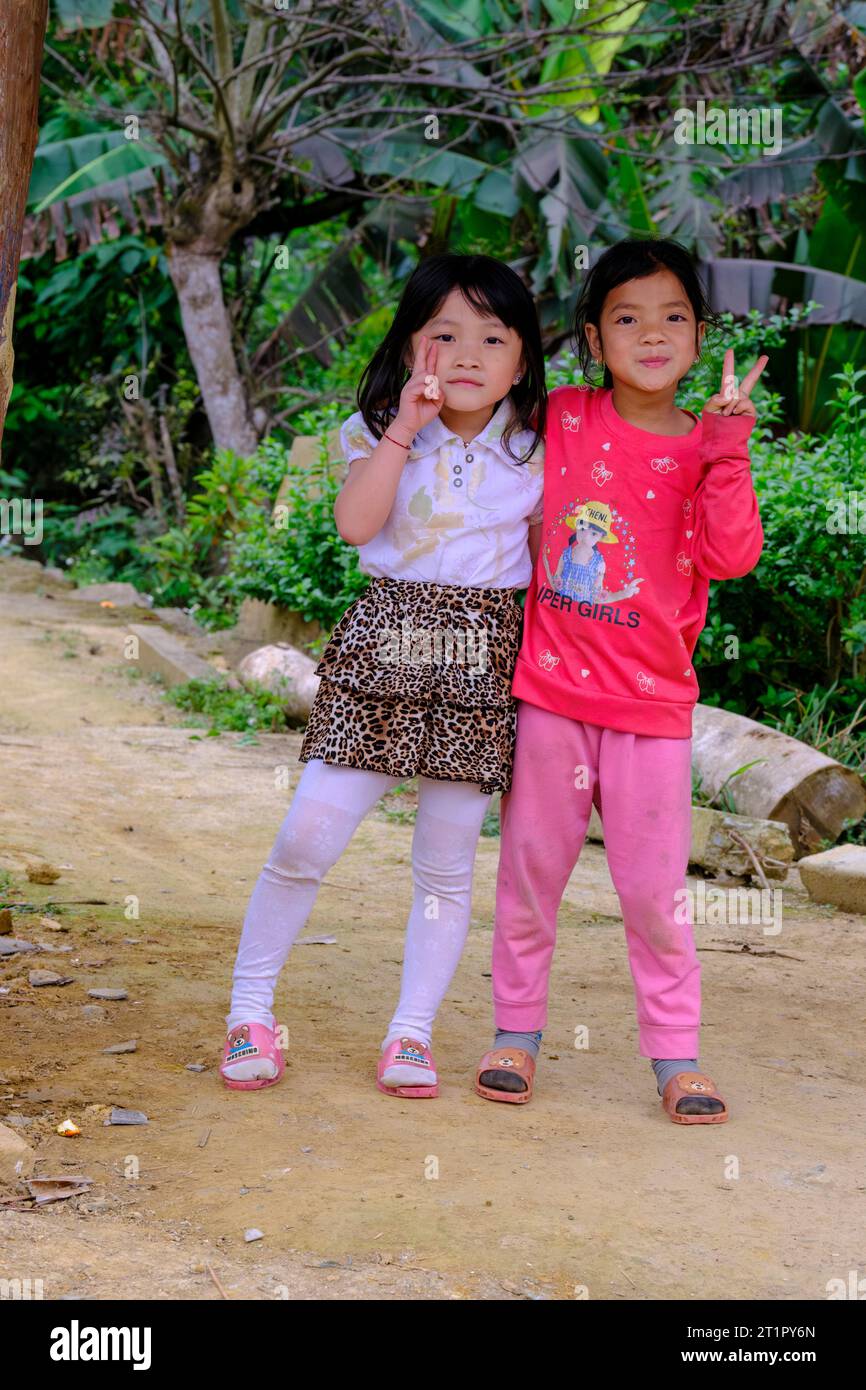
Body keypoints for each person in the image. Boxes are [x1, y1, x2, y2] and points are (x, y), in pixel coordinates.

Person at [220, 253, 547, 1097]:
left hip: (483, 659)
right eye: (445, 334)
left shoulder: (538, 446)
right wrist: (405, 426)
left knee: (444, 865)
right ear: (411, 348)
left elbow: (548, 567)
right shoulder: (374, 429)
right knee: (305, 839)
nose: (468, 354)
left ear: (522, 357)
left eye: (492, 336)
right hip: (387, 637)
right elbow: (356, 525)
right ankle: (249, 1011)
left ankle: (412, 1033)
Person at [474, 237, 767, 1123]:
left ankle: (675, 1055)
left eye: (673, 317)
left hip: (651, 713)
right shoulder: (562, 417)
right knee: (529, 877)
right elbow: (484, 409)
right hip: (552, 698)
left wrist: (727, 451)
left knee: (654, 895)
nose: (652, 333)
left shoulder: (709, 448)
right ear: (594, 342)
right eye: (626, 318)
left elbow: (731, 555)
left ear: (701, 334)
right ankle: (515, 1036)